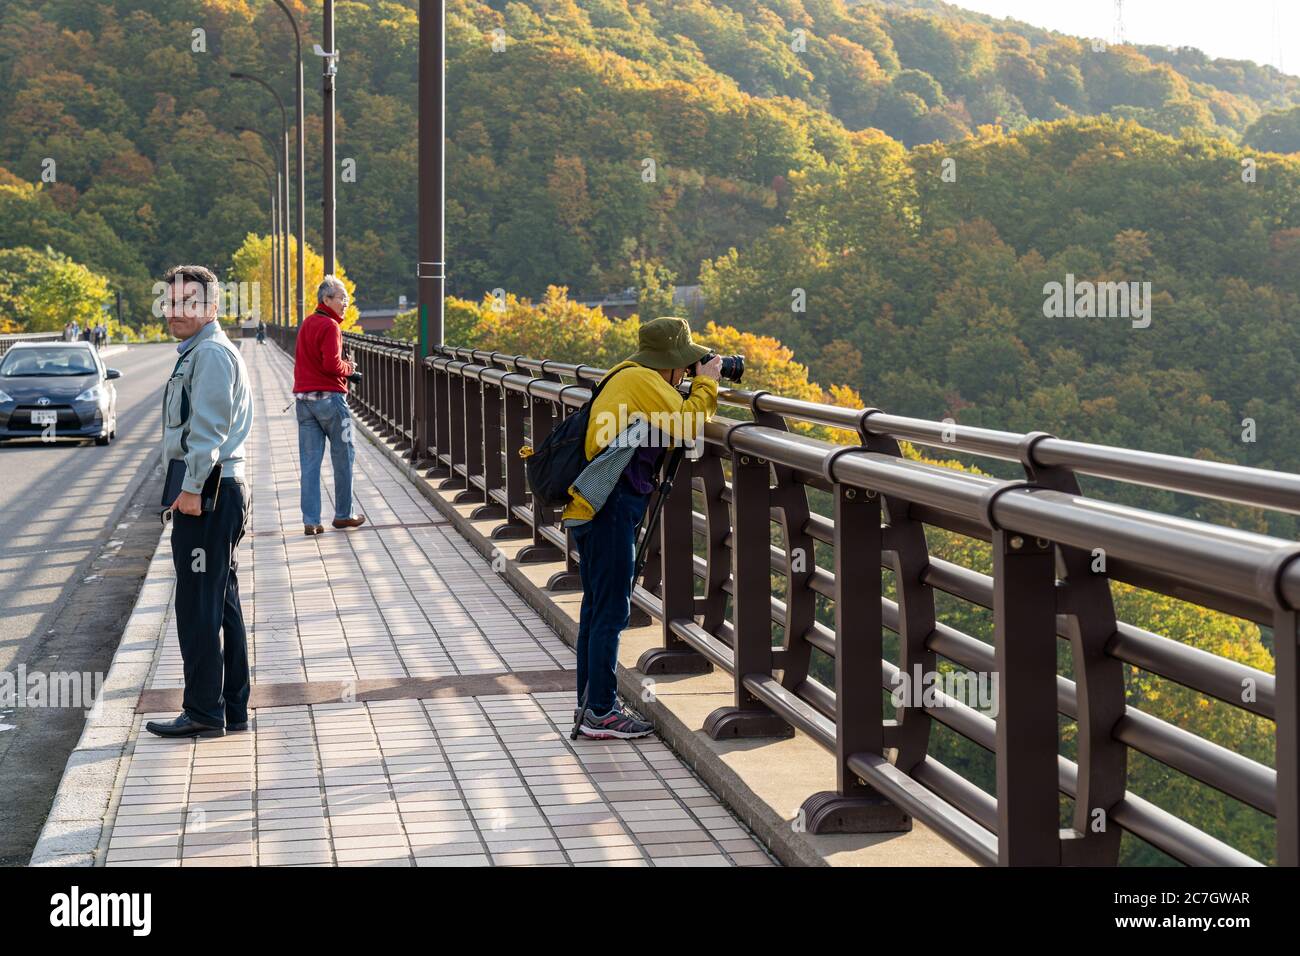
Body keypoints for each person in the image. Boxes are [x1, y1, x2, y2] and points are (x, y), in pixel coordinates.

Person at [563, 317, 721, 739]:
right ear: (667, 361)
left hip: (596, 505)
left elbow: (666, 423)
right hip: (610, 508)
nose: (687, 370)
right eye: (684, 364)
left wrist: (689, 386)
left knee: (597, 608)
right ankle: (599, 711)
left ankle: (591, 704)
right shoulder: (643, 380)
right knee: (612, 610)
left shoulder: (628, 376)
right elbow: (688, 425)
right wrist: (708, 384)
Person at [145, 265, 254, 739]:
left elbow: (207, 431)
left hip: (207, 493)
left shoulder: (209, 353)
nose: (175, 311)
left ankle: (204, 712)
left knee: (197, 607)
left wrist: (189, 491)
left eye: (188, 302)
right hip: (217, 491)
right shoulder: (202, 351)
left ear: (211, 307)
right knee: (221, 601)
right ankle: (232, 708)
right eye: (170, 302)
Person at [293, 275, 364, 535]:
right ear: (326, 300)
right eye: (341, 299)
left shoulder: (307, 324)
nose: (346, 303)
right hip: (331, 402)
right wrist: (350, 369)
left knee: (310, 464)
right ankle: (344, 514)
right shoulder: (331, 327)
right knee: (344, 457)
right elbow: (331, 365)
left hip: (304, 403)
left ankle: (311, 521)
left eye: (347, 298)